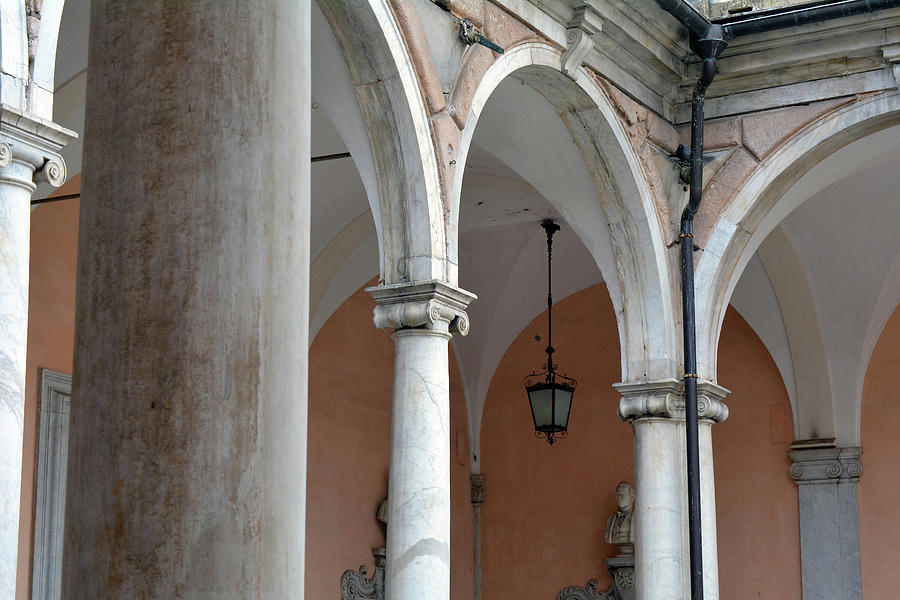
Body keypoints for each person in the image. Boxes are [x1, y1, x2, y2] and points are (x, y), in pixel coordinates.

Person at [604, 481, 635, 555]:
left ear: (632, 497)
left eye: (622, 495)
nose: (619, 498)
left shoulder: (640, 520)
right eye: (618, 495)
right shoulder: (610, 520)